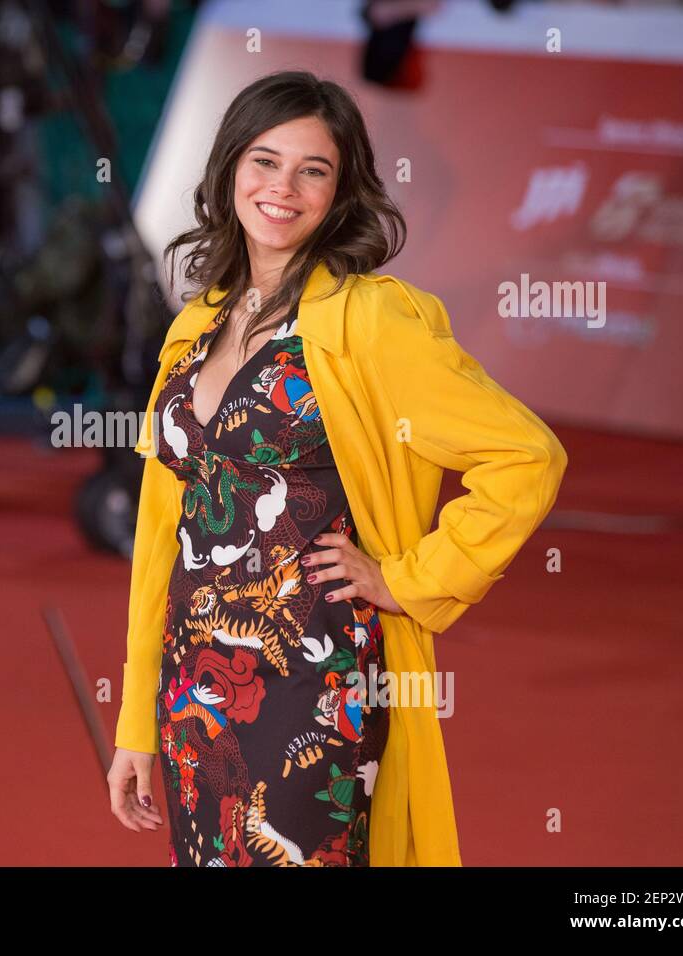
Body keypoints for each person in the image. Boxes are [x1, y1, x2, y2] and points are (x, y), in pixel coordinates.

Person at [107, 71, 567, 866]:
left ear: (341, 191)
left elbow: (526, 454)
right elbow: (160, 540)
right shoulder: (196, 326)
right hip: (195, 686)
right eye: (264, 160)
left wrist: (411, 579)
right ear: (228, 171)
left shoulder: (371, 322)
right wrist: (135, 722)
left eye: (312, 170)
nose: (282, 187)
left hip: (309, 687)